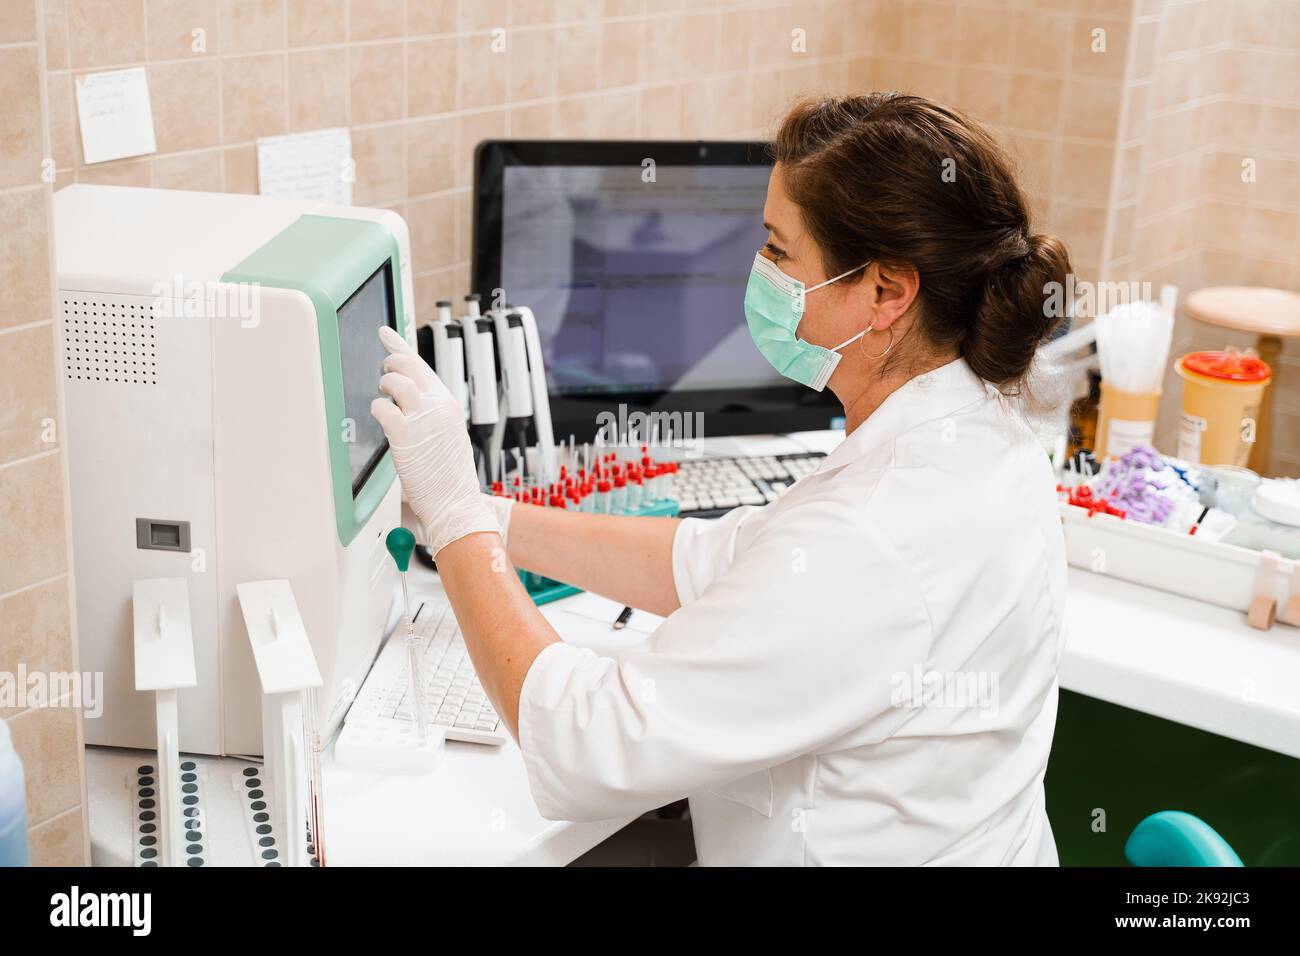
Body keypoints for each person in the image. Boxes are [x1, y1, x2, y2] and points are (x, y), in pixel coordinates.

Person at [371, 92, 1071, 866]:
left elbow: (584, 744)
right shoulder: (978, 428)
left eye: (777, 250)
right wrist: (483, 512)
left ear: (886, 292)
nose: (758, 274)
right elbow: (721, 563)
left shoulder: (874, 532)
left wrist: (457, 522)